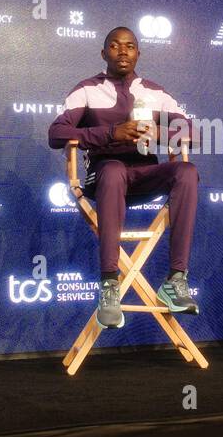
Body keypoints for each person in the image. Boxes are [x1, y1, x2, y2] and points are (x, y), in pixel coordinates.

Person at [47, 27, 200, 328]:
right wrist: (110, 134)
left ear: (138, 53)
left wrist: (158, 133)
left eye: (129, 46)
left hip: (144, 176)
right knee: (114, 169)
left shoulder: (155, 92)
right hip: (102, 177)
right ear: (104, 54)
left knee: (187, 171)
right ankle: (109, 285)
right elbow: (56, 133)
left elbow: (193, 133)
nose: (123, 51)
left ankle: (176, 280)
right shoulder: (87, 89)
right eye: (115, 46)